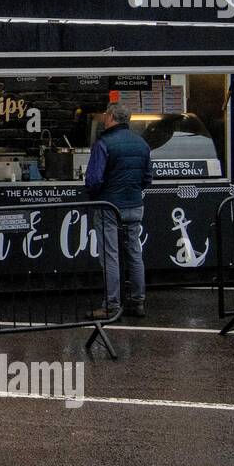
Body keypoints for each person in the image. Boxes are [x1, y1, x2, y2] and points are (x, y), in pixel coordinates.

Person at [84, 101, 153, 318]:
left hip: (109, 206)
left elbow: (93, 179)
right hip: (134, 205)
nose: (104, 118)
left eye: (106, 115)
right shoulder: (142, 144)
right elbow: (147, 178)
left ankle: (111, 305)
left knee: (110, 255)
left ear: (112, 117)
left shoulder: (103, 143)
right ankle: (137, 301)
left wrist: (98, 196)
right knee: (134, 253)